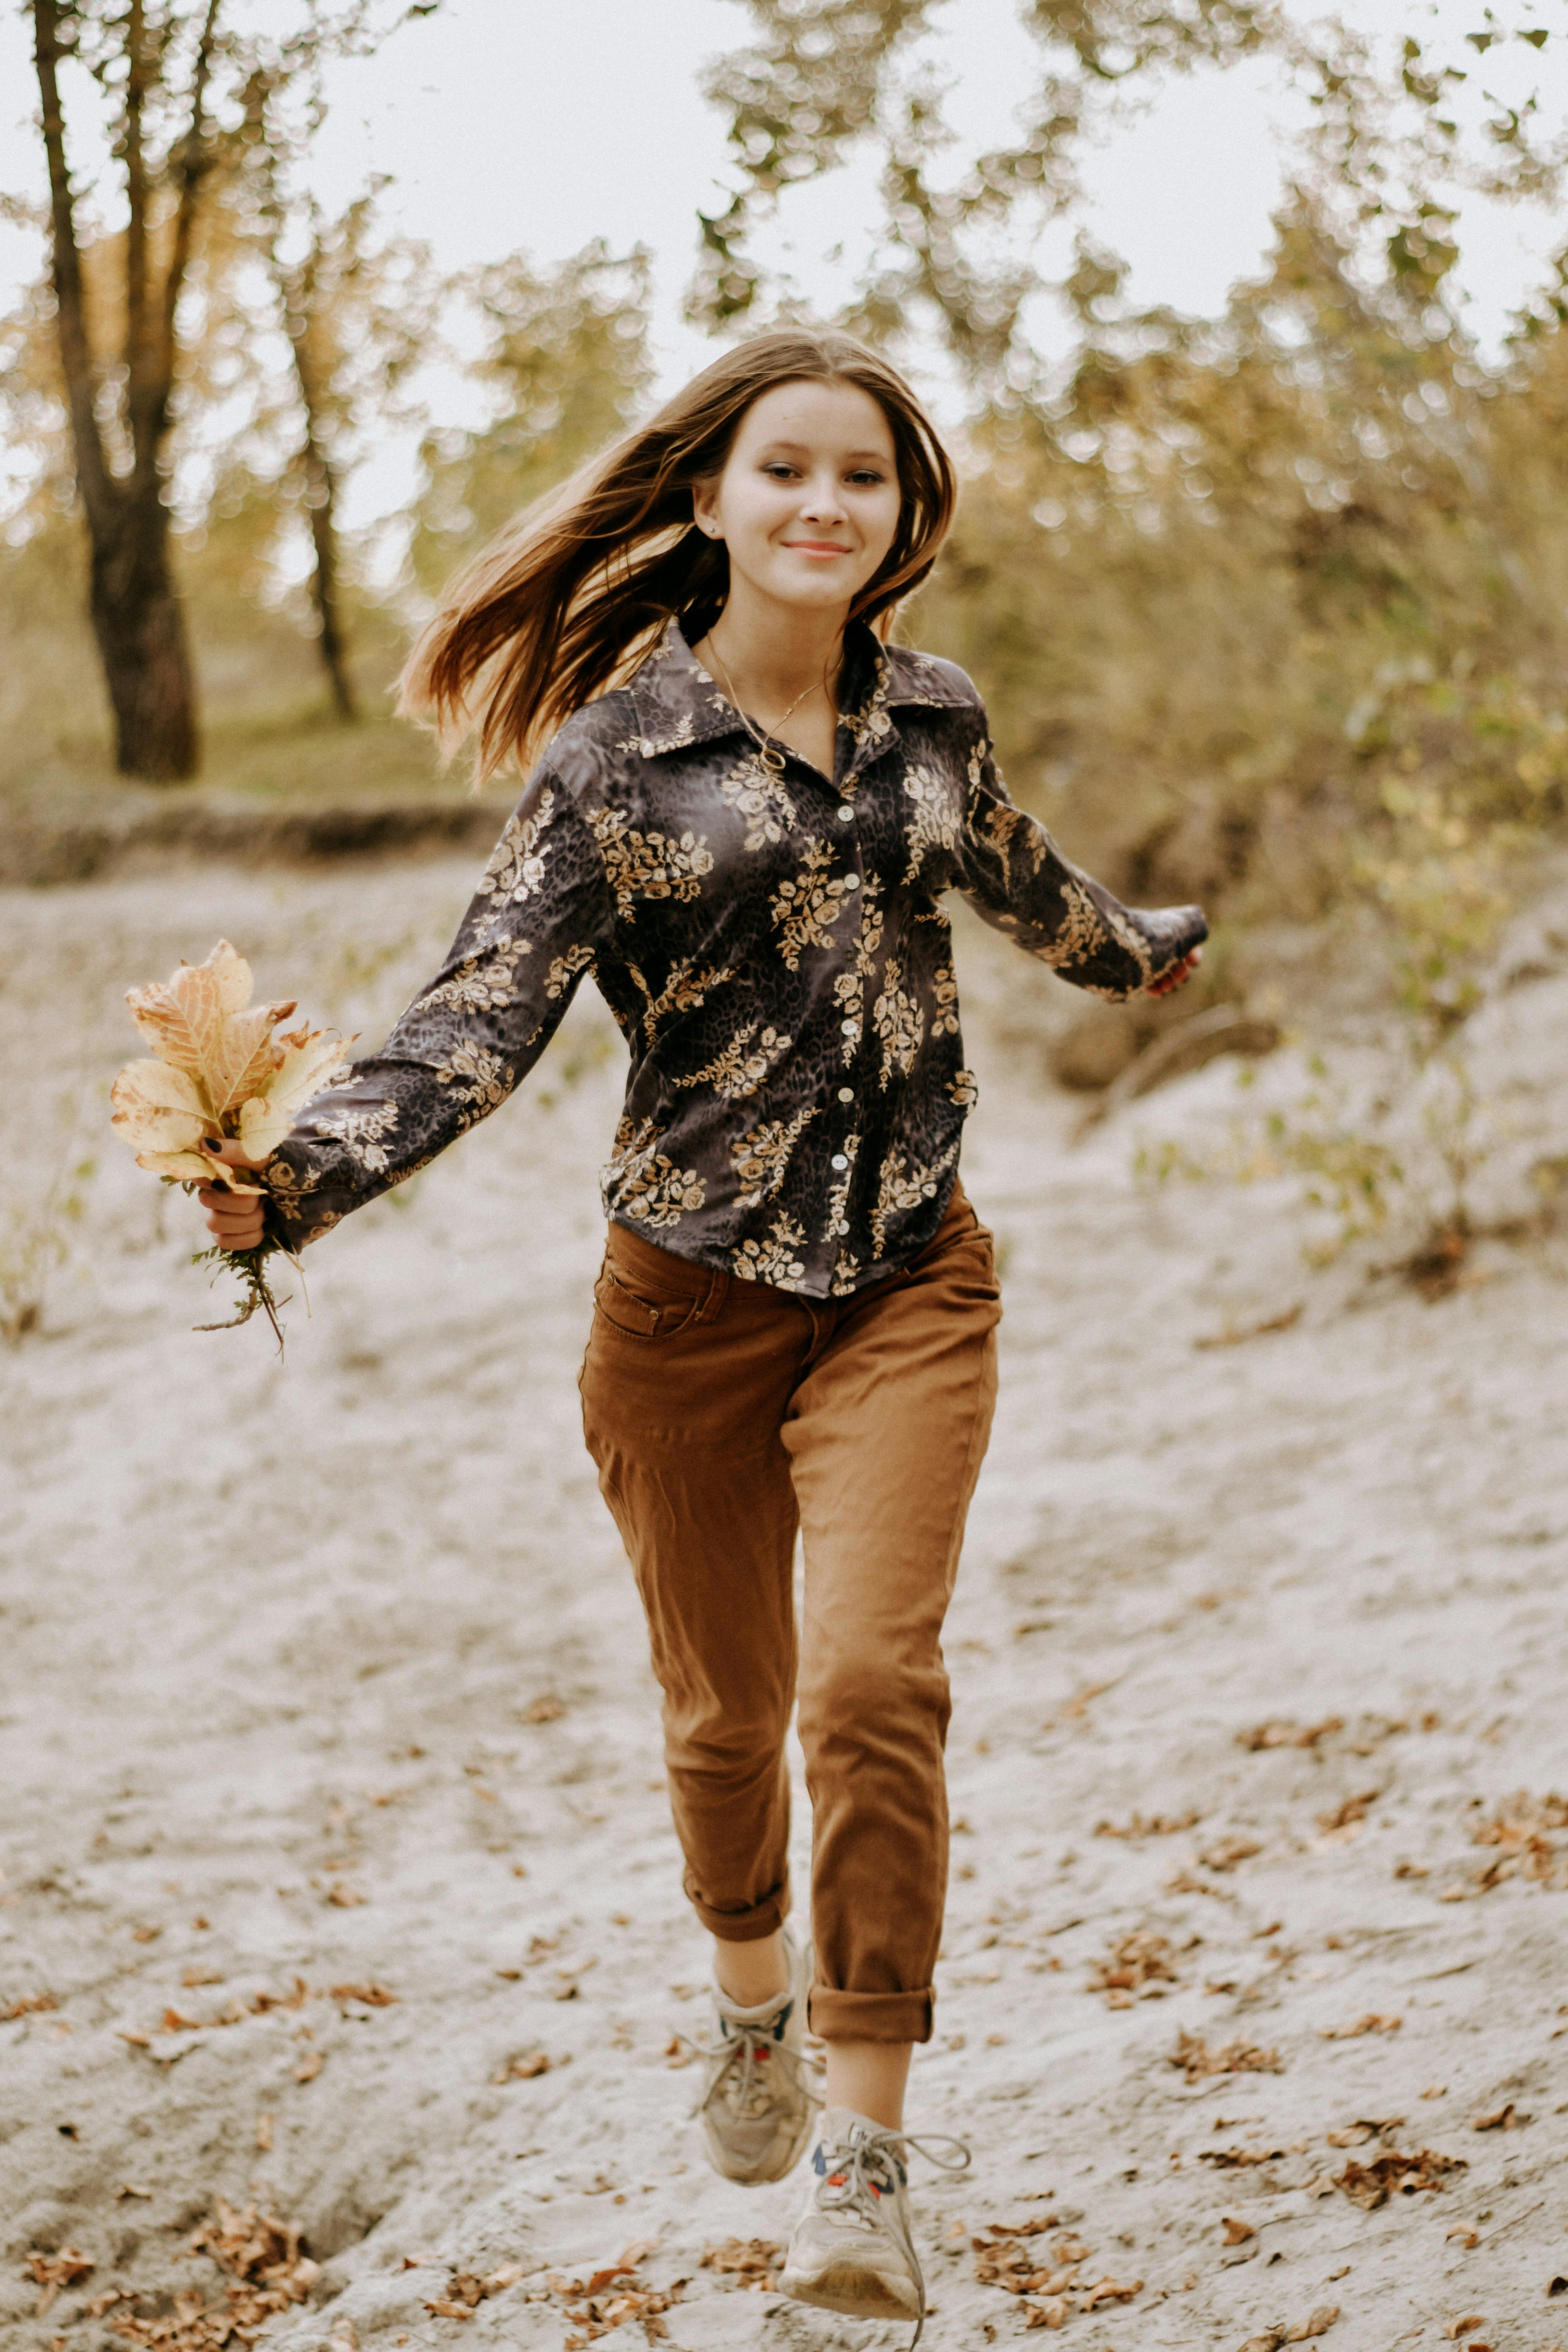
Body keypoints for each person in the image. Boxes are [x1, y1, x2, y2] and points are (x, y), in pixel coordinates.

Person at [199, 327, 1203, 2343]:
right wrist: (289, 1185)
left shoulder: (931, 715)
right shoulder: (610, 763)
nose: (827, 503)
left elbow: (1021, 884)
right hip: (683, 1311)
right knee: (727, 1725)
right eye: (788, 471)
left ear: (902, 518)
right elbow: (478, 1021)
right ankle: (746, 1997)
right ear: (710, 502)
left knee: (871, 1683)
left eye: (865, 477)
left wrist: (1142, 953)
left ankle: (862, 2158)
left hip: (914, 1278)